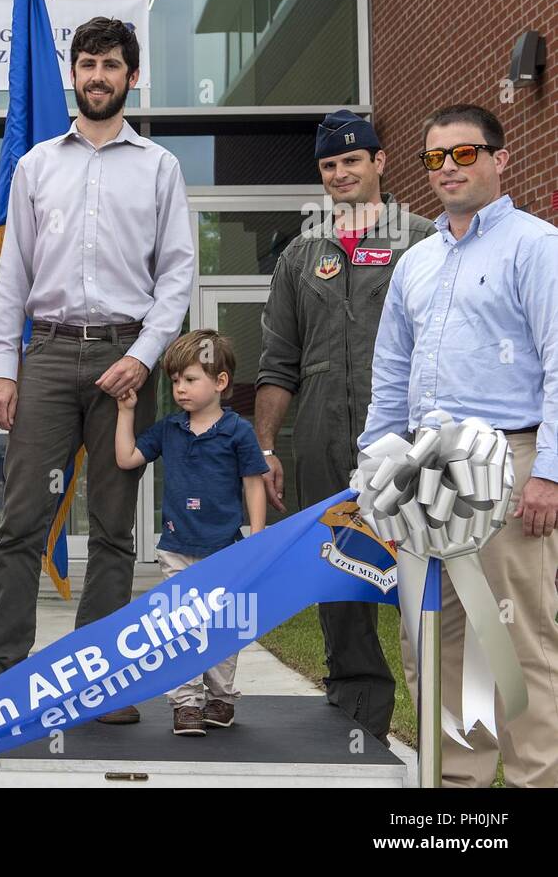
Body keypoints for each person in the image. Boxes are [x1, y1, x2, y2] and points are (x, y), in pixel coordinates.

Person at [0, 16, 195, 723]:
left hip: (127, 359)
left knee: (116, 526)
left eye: (112, 64)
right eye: (88, 63)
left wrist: (142, 357)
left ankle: (99, 681)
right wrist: (2, 367)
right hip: (50, 353)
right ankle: (2, 670)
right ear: (75, 74)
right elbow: (14, 278)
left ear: (132, 76)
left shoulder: (159, 168)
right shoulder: (37, 166)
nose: (98, 76)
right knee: (22, 519)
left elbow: (178, 275)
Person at [361, 104, 558, 787]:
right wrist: (373, 472)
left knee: (516, 639)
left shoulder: (538, 246)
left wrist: (551, 475)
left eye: (463, 154)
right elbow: (391, 376)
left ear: (501, 159)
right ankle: (460, 794)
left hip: (511, 463)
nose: (447, 168)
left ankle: (537, 781)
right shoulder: (416, 262)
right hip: (422, 472)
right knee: (436, 642)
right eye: (434, 157)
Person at [255, 109, 436, 742]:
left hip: (414, 439)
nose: (340, 174)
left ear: (380, 162)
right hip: (324, 435)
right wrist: (268, 445)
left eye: (351, 161)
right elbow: (279, 362)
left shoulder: (425, 240)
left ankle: (442, 707)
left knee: (425, 572)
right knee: (341, 568)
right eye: (329, 166)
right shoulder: (300, 256)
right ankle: (357, 717)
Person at [115, 329, 266, 735]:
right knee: (181, 627)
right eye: (176, 381)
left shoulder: (238, 431)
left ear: (220, 383)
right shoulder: (169, 429)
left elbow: (254, 481)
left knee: (223, 627)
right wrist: (126, 412)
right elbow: (127, 457)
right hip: (177, 549)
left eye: (190, 379)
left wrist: (257, 535)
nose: (180, 388)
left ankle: (220, 698)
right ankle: (186, 703)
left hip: (226, 549)